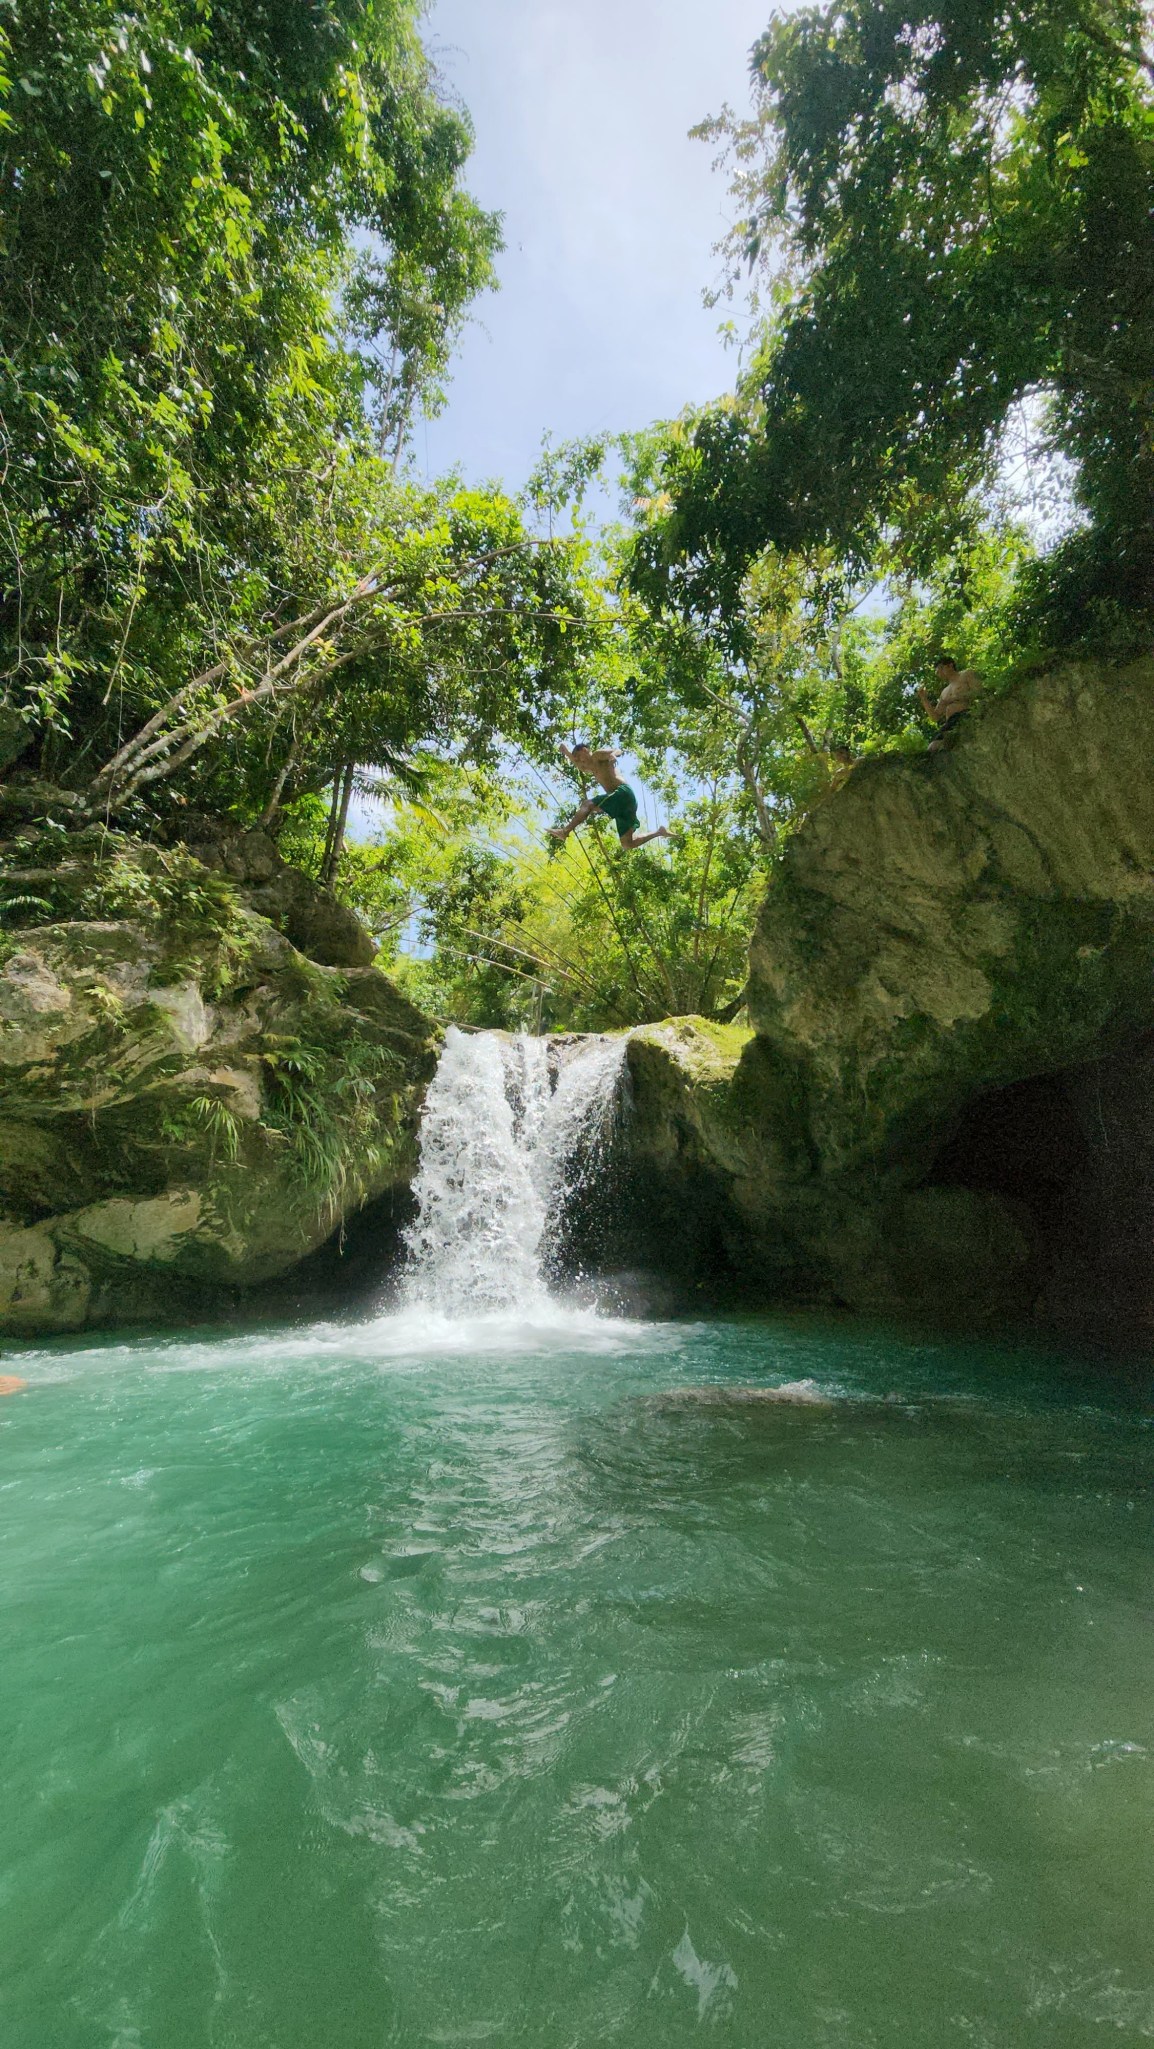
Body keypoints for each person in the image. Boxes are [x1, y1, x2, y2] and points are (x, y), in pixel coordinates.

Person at [548, 742, 674, 851]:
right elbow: (577, 763)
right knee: (627, 844)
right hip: (624, 804)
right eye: (578, 760)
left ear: (585, 750)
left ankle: (565, 831)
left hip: (623, 793)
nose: (581, 762)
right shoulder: (588, 767)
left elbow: (616, 750)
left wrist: (613, 755)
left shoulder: (597, 756)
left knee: (588, 804)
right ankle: (659, 832)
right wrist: (566, 752)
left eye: (580, 757)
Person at [919, 654, 982, 751]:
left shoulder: (966, 674)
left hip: (966, 714)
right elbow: (935, 717)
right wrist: (924, 699)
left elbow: (979, 692)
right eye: (937, 671)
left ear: (950, 665)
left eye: (940, 668)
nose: (939, 673)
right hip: (950, 722)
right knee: (932, 747)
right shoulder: (944, 691)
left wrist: (956, 698)